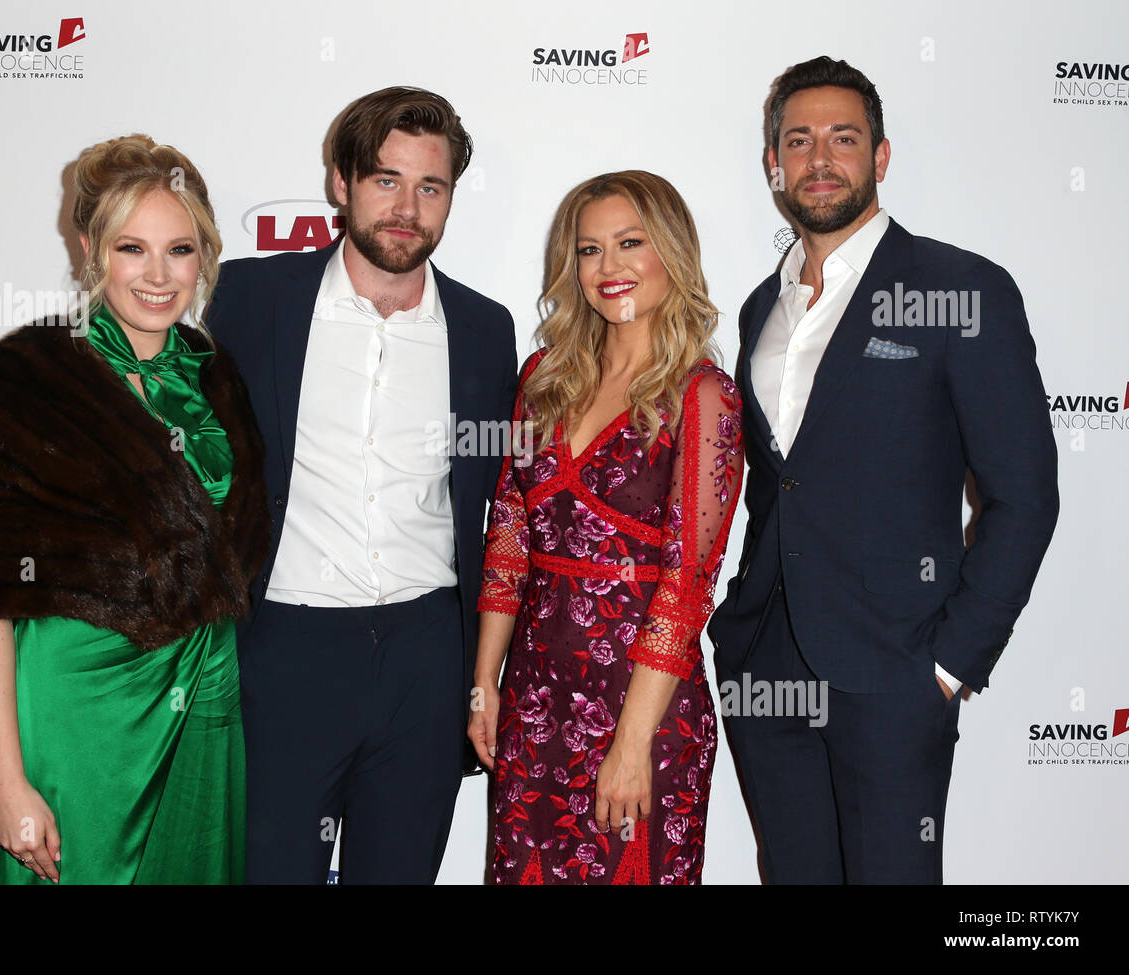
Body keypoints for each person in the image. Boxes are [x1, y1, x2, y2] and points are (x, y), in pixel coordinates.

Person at [707, 56, 1060, 884]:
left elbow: (1024, 495)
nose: (819, 159)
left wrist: (949, 663)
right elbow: (781, 487)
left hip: (896, 674)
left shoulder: (959, 288)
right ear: (773, 165)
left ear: (882, 157)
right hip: (770, 670)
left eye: (843, 138)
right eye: (799, 141)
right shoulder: (764, 306)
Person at [0, 134, 270, 884]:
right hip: (79, 714)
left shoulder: (216, 379)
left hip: (203, 701)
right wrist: (4, 780)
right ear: (89, 248)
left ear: (206, 254)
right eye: (133, 248)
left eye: (181, 249)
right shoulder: (19, 387)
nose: (159, 276)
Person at [206, 86, 518, 884]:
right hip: (286, 650)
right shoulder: (248, 299)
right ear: (341, 183)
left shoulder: (486, 329)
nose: (407, 207)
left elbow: (495, 502)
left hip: (425, 657)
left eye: (430, 186)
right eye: (386, 180)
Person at [468, 171, 744, 885]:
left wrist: (629, 743)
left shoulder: (701, 394)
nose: (609, 267)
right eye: (590, 250)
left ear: (671, 253)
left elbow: (686, 591)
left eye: (630, 243)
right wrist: (485, 683)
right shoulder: (544, 378)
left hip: (640, 706)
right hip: (533, 698)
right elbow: (509, 538)